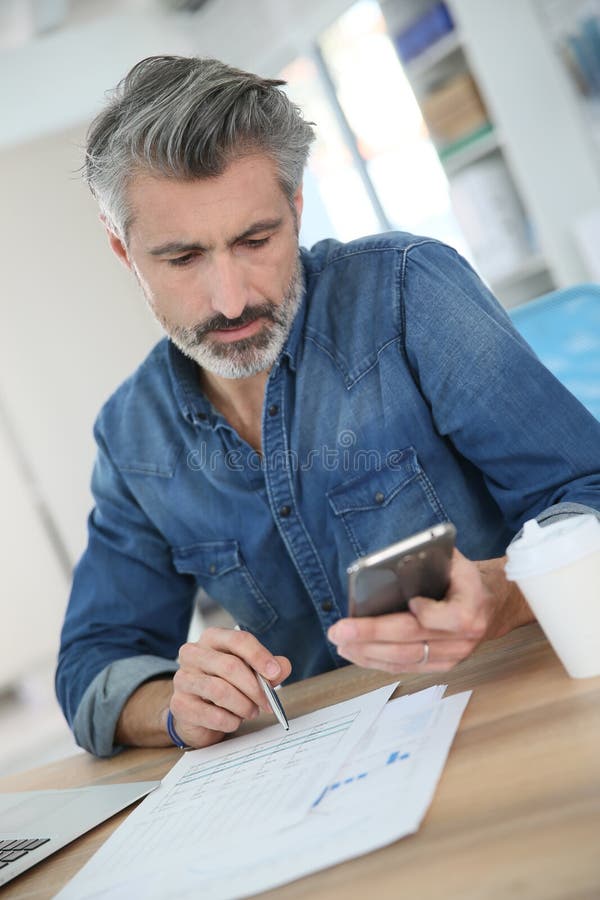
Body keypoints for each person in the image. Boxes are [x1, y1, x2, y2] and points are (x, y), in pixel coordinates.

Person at [56, 55, 600, 758]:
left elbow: (587, 493)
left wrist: (503, 591)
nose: (230, 300)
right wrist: (171, 703)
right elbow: (92, 665)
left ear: (296, 208)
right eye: (183, 258)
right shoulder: (133, 436)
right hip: (329, 771)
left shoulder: (410, 294)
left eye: (256, 241)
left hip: (525, 719)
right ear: (122, 249)